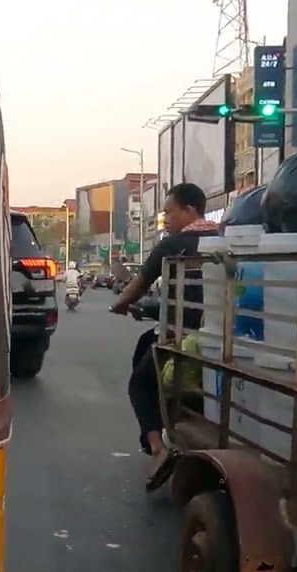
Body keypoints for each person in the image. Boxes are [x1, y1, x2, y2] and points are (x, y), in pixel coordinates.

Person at [110, 182, 218, 487]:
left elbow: (140, 285)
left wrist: (118, 305)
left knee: (140, 385)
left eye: (169, 212)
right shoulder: (225, 240)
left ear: (190, 210)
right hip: (224, 334)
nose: (166, 220)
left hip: (182, 336)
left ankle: (158, 448)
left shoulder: (172, 247)